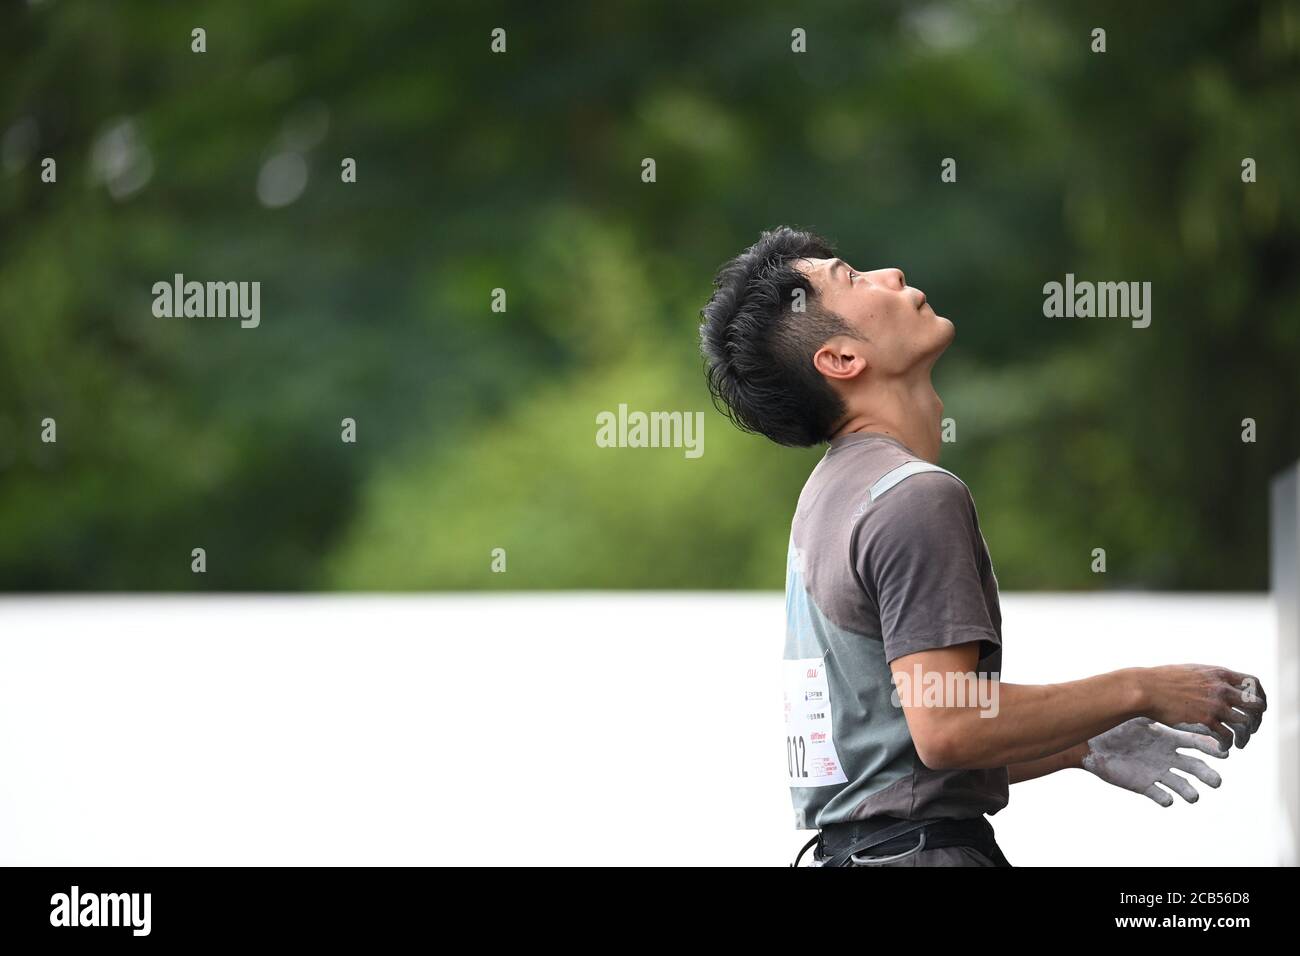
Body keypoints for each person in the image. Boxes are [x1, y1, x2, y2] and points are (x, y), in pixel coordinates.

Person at [698, 226, 1267, 867]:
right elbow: (948, 727)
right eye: (852, 278)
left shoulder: (826, 498)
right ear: (839, 360)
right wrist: (1141, 687)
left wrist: (1082, 744)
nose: (890, 274)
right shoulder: (911, 496)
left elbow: (895, 761)